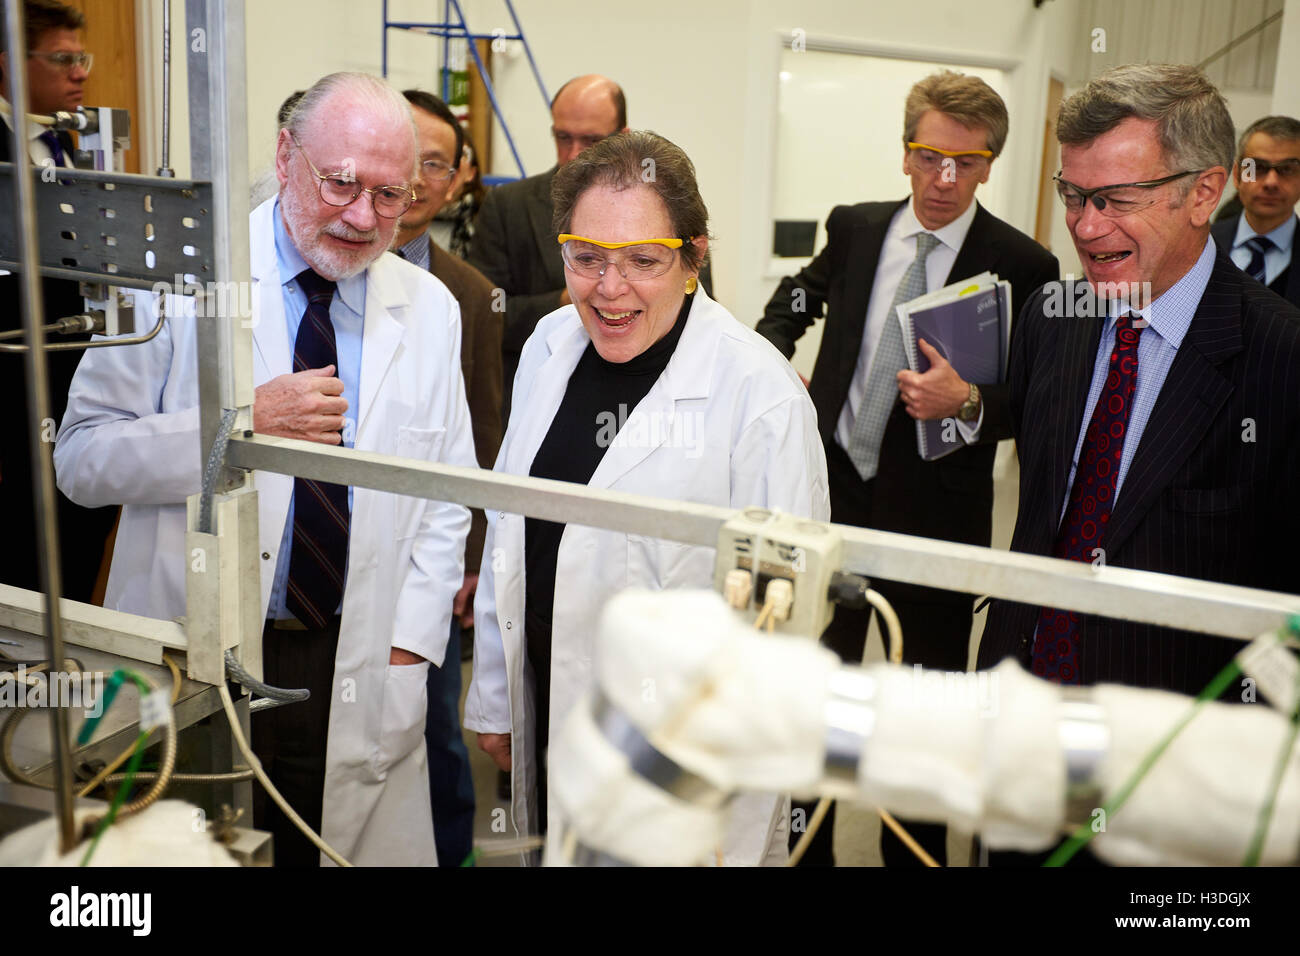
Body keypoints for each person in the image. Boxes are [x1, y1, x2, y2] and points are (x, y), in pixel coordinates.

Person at [55, 72, 479, 866]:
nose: (362, 217)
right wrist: (237, 429)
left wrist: (408, 650)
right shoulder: (170, 278)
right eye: (341, 183)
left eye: (390, 194)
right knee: (197, 842)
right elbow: (80, 460)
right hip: (195, 642)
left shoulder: (429, 308)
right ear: (287, 156)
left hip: (350, 654)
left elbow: (446, 494)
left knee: (325, 844)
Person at [464, 130, 829, 865]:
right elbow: (511, 535)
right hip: (549, 712)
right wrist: (499, 696)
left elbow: (783, 625)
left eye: (643, 261)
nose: (608, 287)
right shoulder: (548, 345)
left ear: (693, 259)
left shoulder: (758, 397)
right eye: (586, 257)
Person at [978, 66, 1300, 865]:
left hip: (1176, 785)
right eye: (1072, 195)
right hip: (1022, 739)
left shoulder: (1282, 359)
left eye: (1113, 201)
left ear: (1204, 193)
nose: (1083, 229)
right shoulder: (1057, 318)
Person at [755, 70, 1059, 867]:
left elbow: (1033, 404)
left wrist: (967, 402)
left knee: (923, 719)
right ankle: (803, 852)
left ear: (991, 163)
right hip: (828, 504)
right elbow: (800, 294)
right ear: (905, 154)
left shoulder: (1024, 265)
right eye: (930, 157)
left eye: (967, 161)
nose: (945, 179)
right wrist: (770, 352)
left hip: (938, 524)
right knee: (816, 699)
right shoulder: (855, 229)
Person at [394, 88, 504, 868]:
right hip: (332, 550)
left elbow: (484, 428)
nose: (417, 178)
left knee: (437, 733)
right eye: (407, 158)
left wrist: (472, 558)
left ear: (460, 178)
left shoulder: (467, 292)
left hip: (430, 551)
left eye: (435, 162)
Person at [0, 0, 115, 603]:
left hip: (84, 367)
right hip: (18, 377)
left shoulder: (73, 141)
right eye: (63, 59)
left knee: (81, 520)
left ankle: (69, 646)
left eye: (82, 58)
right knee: (24, 535)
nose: (79, 72)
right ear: (10, 64)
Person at [467, 74, 628, 419]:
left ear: (623, 138)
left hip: (635, 401)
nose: (573, 155)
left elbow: (692, 304)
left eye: (591, 141)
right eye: (563, 137)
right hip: (535, 405)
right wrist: (561, 302)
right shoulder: (509, 206)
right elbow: (484, 315)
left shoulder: (662, 213)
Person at [1211, 115, 1300, 308]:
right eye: (1257, 168)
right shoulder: (1200, 244)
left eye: (1287, 169)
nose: (1271, 182)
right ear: (1237, 175)